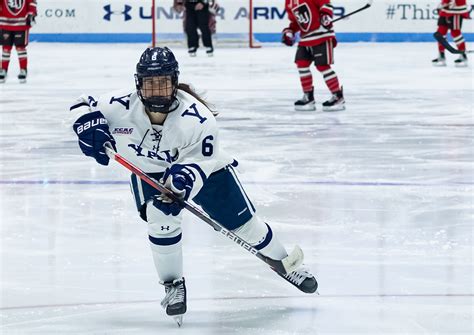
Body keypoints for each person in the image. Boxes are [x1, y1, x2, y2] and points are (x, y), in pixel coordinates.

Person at [70, 47, 318, 326]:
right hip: (149, 171)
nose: (156, 91)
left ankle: (287, 264)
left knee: (246, 227)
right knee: (160, 220)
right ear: (138, 83)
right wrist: (87, 126)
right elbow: (82, 104)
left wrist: (180, 186)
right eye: (150, 84)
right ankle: (173, 285)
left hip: (207, 171)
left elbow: (201, 162)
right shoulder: (120, 105)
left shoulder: (198, 119)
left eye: (163, 83)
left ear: (175, 82)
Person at [282, 0, 345, 112]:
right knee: (301, 64)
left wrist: (326, 15)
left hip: (322, 35)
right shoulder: (289, 2)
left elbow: (325, 4)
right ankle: (308, 96)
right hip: (305, 38)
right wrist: (290, 31)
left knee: (322, 66)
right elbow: (296, 22)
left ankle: (337, 96)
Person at [0, 0, 37, 83]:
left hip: (21, 24)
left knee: (20, 48)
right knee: (6, 48)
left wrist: (31, 14)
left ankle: (23, 70)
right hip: (5, 23)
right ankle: (3, 70)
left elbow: (32, 3)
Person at [432, 0, 470, 67]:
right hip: (445, 10)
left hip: (456, 10)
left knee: (455, 33)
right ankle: (441, 54)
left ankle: (463, 54)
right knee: (440, 33)